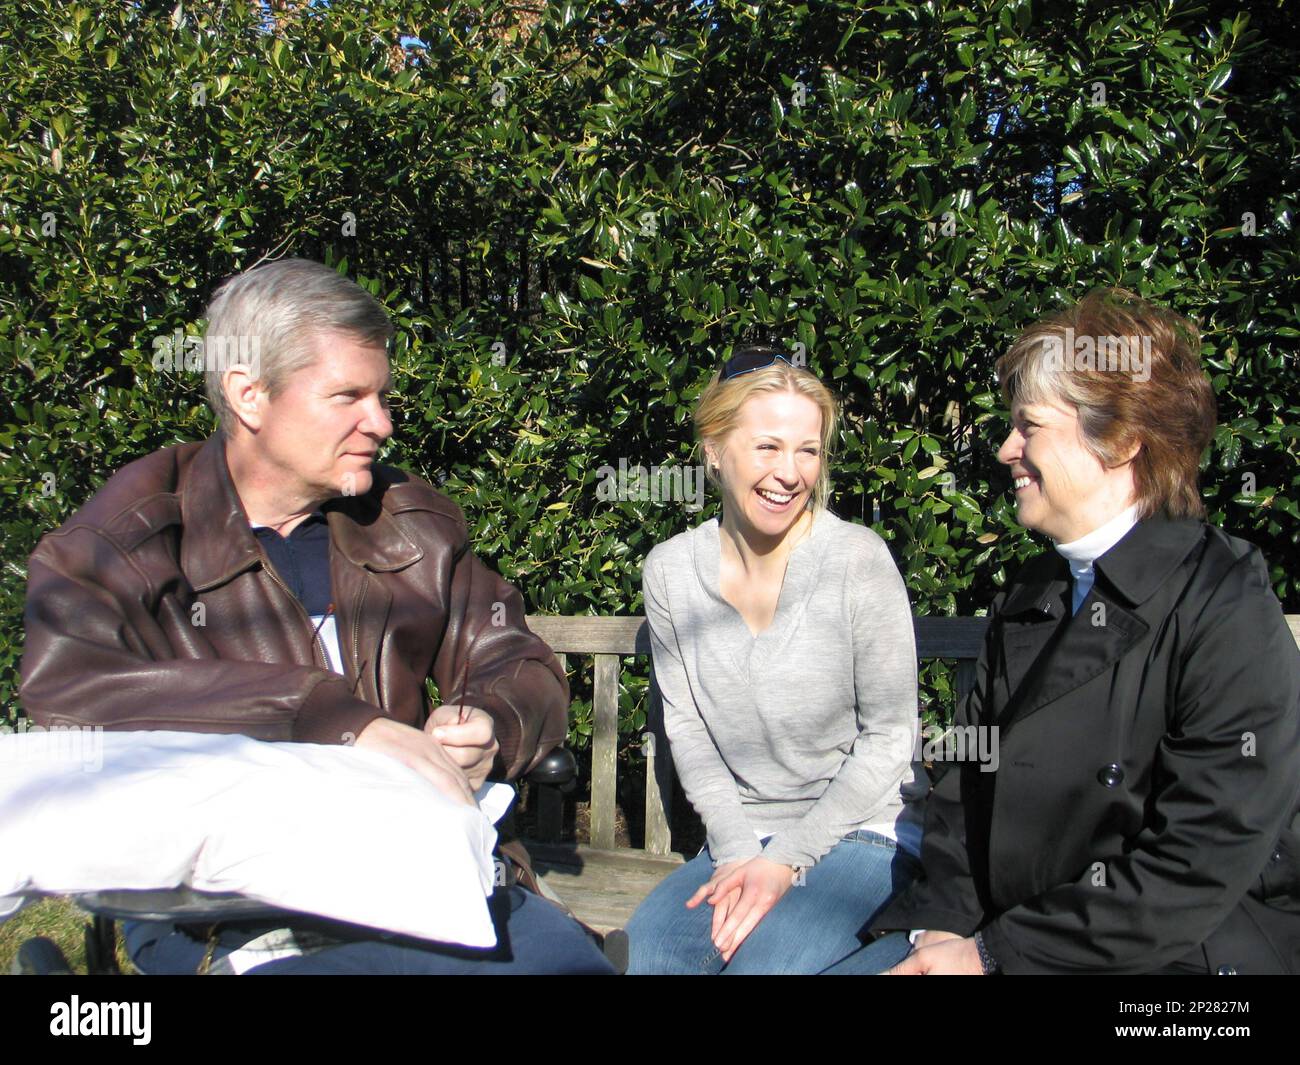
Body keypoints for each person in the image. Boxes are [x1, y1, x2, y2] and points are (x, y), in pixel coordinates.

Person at [20, 258, 615, 975]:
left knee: (570, 969)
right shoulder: (123, 541)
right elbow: (67, 699)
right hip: (227, 908)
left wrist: (491, 721)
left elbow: (515, 655)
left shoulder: (410, 520)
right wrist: (327, 715)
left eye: (383, 395)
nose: (383, 423)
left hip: (430, 876)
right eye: (349, 396)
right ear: (249, 395)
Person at [828, 287, 1300, 975]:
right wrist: (941, 918)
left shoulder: (1224, 603)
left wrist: (995, 954)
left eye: (1029, 426)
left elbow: (1200, 859)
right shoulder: (1030, 592)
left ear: (1122, 440)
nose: (1004, 448)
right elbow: (966, 784)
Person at [625, 345, 927, 975]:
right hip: (740, 838)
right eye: (767, 446)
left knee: (764, 967)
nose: (789, 473)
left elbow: (891, 736)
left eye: (807, 450)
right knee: (652, 957)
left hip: (860, 836)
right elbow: (689, 729)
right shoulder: (672, 572)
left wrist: (787, 860)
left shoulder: (857, 561)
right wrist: (738, 854)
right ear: (714, 448)